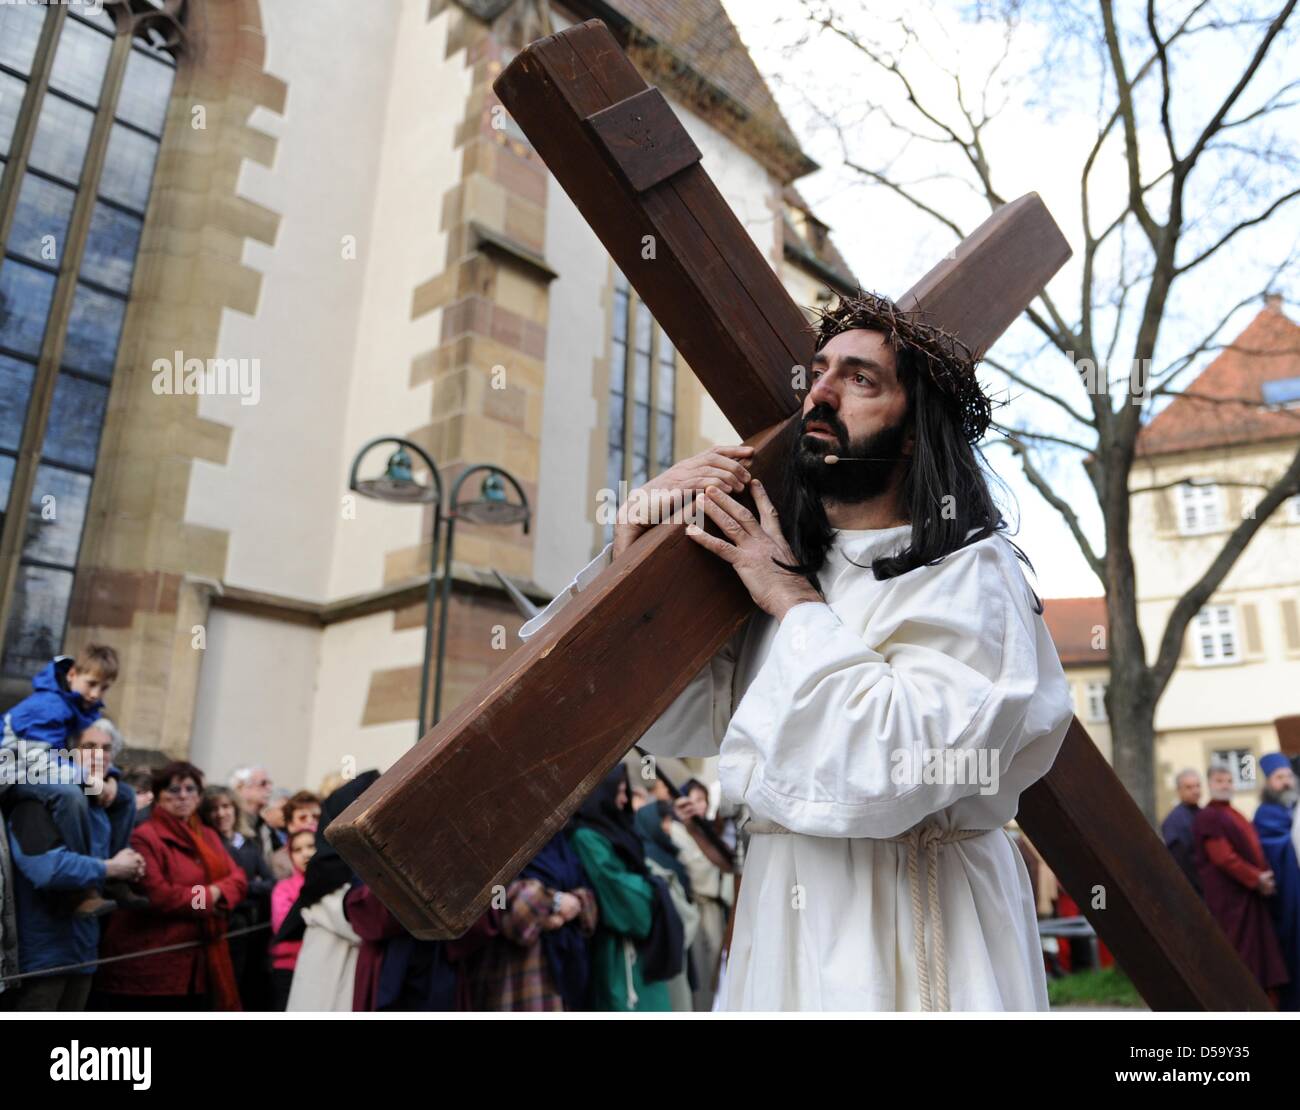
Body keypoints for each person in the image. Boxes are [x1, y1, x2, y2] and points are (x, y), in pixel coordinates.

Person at [522, 291, 1075, 1011]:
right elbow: (664, 722)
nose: (820, 393)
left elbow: (903, 761)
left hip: (916, 916)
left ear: (913, 432)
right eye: (818, 373)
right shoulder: (778, 567)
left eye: (860, 379)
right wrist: (631, 564)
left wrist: (790, 601)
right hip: (781, 920)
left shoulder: (971, 571)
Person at [94, 762, 247, 1010]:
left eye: (190, 789)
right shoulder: (145, 836)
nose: (183, 796)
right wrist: (209, 896)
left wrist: (211, 893)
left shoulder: (206, 835)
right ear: (159, 794)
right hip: (149, 969)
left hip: (195, 965)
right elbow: (161, 895)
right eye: (174, 789)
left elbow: (238, 878)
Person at [3, 754, 145, 1010]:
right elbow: (46, 870)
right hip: (43, 956)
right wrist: (109, 868)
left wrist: (130, 865)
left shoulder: (100, 808)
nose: (99, 757)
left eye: (106, 748)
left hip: (84, 951)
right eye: (89, 747)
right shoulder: (34, 805)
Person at [0, 649, 134, 916]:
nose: (96, 694)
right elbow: (39, 757)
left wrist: (111, 779)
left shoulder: (81, 707)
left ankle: (114, 878)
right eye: (91, 684)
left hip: (44, 768)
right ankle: (78, 889)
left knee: (126, 796)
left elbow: (78, 755)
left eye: (104, 688)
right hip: (13, 773)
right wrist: (89, 780)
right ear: (72, 675)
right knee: (70, 794)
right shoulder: (46, 706)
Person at [567, 764, 683, 1011]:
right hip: (618, 954)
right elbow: (623, 896)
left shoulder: (615, 833)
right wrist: (653, 889)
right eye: (618, 791)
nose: (623, 799)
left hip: (638, 953)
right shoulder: (587, 838)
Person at [466, 827, 597, 1011]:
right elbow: (498, 901)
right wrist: (556, 901)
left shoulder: (561, 847)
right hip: (513, 980)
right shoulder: (494, 846)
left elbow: (590, 900)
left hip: (565, 978)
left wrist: (572, 902)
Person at [1194, 765, 1288, 1004]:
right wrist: (1256, 878)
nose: (1225, 785)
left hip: (1249, 897)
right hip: (1232, 902)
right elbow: (1223, 857)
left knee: (1261, 955)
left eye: (1228, 780)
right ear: (1210, 784)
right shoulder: (1209, 817)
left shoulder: (1234, 813)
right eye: (1219, 781)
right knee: (1243, 958)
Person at [201, 785, 274, 1010]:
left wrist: (239, 889)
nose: (221, 813)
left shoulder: (248, 843)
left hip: (247, 925)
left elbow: (271, 882)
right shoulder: (207, 843)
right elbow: (213, 887)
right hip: (220, 923)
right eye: (214, 808)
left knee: (240, 983)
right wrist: (248, 888)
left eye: (226, 806)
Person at [1253, 753, 1300, 1010]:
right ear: (1268, 783)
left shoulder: (1294, 809)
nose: (1286, 782)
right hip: (1287, 898)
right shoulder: (1265, 814)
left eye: (1288, 776)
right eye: (1279, 778)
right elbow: (1272, 847)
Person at [269, 829, 315, 1009]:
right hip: (290, 967)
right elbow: (282, 925)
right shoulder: (283, 889)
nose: (305, 853)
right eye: (297, 849)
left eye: (311, 846)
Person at [1161, 769, 1203, 896]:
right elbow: (1181, 860)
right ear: (1179, 791)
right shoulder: (1173, 821)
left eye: (1197, 786)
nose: (1195, 791)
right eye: (1189, 787)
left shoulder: (1204, 814)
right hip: (1193, 888)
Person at [229, 766, 280, 862]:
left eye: (269, 784)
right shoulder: (229, 822)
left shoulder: (264, 826)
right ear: (242, 788)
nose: (270, 789)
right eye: (263, 783)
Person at [269, 791, 320, 880]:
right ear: (290, 825)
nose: (311, 821)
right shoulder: (280, 860)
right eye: (302, 818)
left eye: (316, 817)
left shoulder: (335, 849)